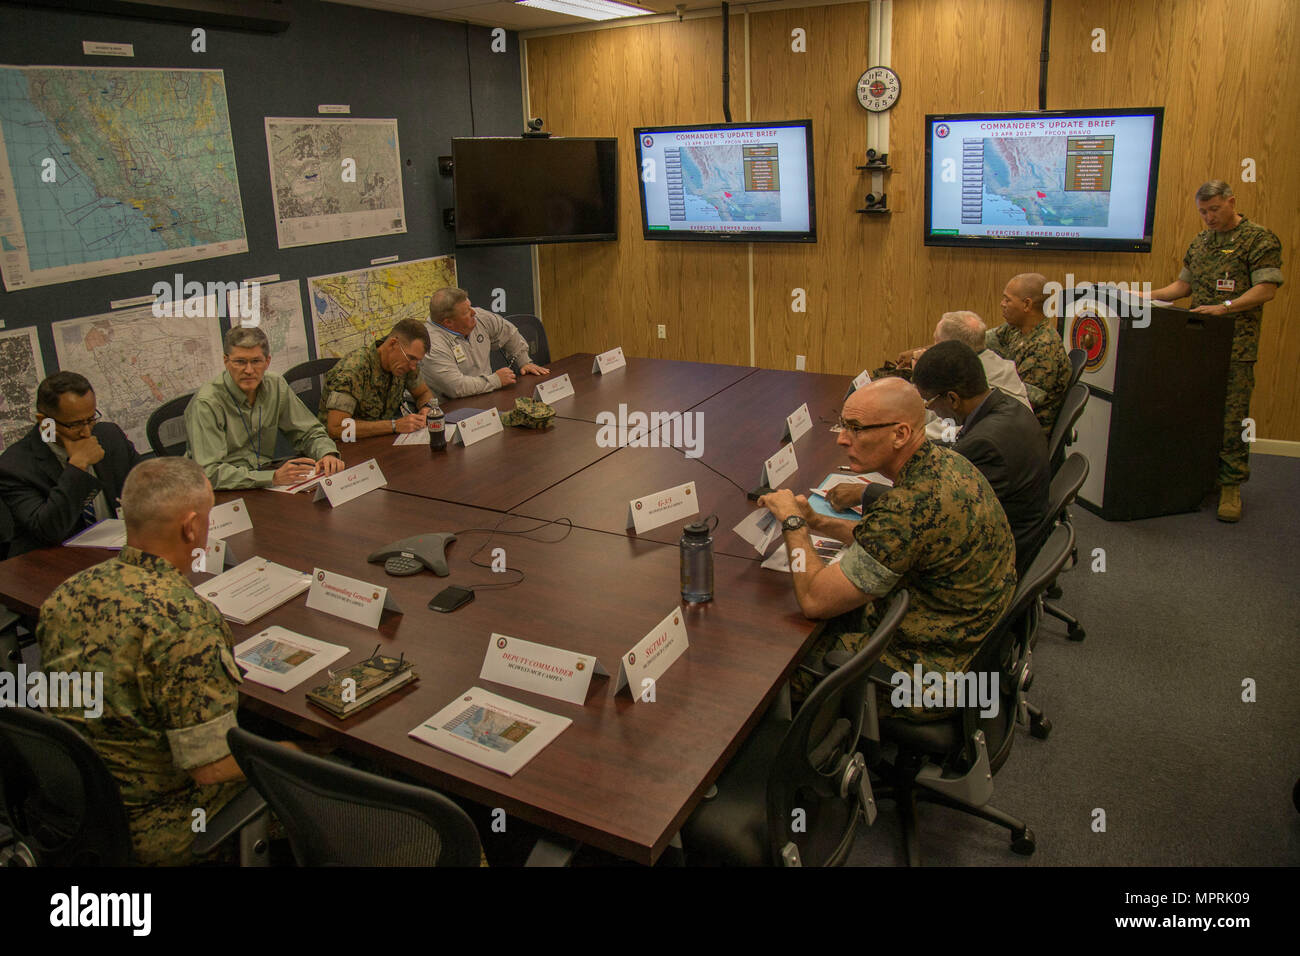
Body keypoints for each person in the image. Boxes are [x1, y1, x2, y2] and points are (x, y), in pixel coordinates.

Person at [757, 378, 1016, 715]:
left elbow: (814, 600)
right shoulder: (944, 465)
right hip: (966, 642)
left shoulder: (911, 505)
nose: (841, 438)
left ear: (900, 434)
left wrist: (793, 523)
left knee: (771, 666)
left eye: (856, 428)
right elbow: (888, 542)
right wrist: (818, 523)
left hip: (926, 674)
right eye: (843, 425)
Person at [36, 458, 247, 865]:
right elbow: (210, 768)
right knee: (311, 777)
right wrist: (293, 753)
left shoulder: (65, 593)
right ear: (191, 527)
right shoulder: (186, 620)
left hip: (76, 807)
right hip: (157, 823)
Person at [1148, 180, 1283, 523]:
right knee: (1192, 410)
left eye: (1214, 210)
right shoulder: (1201, 241)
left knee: (1232, 416)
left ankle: (1231, 486)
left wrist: (1226, 306)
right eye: (1203, 212)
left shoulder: (1258, 239)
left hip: (1235, 344)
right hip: (1196, 342)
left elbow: (1266, 289)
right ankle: (1195, 478)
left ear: (1231, 202)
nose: (1208, 218)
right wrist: (1144, 297)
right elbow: (1182, 287)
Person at [910, 341, 1049, 569]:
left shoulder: (986, 444)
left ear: (953, 399)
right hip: (1019, 531)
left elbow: (932, 508)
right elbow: (959, 446)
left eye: (929, 403)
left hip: (995, 561)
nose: (930, 410)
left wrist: (866, 493)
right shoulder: (1008, 406)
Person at [0, 371, 140, 557]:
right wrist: (78, 467)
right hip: (55, 564)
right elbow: (49, 531)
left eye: (91, 419)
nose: (87, 432)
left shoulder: (110, 436)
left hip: (116, 554)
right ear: (45, 422)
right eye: (75, 424)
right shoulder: (15, 466)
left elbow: (152, 488)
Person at [186, 326, 345, 489]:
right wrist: (272, 477)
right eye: (240, 362)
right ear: (226, 361)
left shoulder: (275, 385)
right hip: (224, 491)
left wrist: (327, 453)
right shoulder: (206, 403)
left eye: (256, 361)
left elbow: (309, 432)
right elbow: (209, 473)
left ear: (267, 361)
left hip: (265, 481)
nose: (248, 370)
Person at [318, 319, 441, 440]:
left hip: (381, 440)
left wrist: (427, 409)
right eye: (411, 358)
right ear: (392, 344)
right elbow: (337, 428)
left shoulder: (405, 365)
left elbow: (423, 393)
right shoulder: (353, 371)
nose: (413, 366)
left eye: (417, 361)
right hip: (345, 447)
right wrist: (394, 425)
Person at [984, 273, 1071, 440]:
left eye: (1007, 300)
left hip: (1024, 436)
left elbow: (1019, 404)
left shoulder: (1043, 347)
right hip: (1010, 423)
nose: (1002, 304)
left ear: (1027, 304)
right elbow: (976, 339)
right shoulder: (1017, 329)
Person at [421, 288, 549, 399]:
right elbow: (456, 387)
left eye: (470, 306)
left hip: (487, 395)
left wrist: (524, 362)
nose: (474, 313)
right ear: (448, 322)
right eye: (466, 312)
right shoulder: (431, 343)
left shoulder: (479, 317)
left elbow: (508, 332)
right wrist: (495, 380)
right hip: (451, 408)